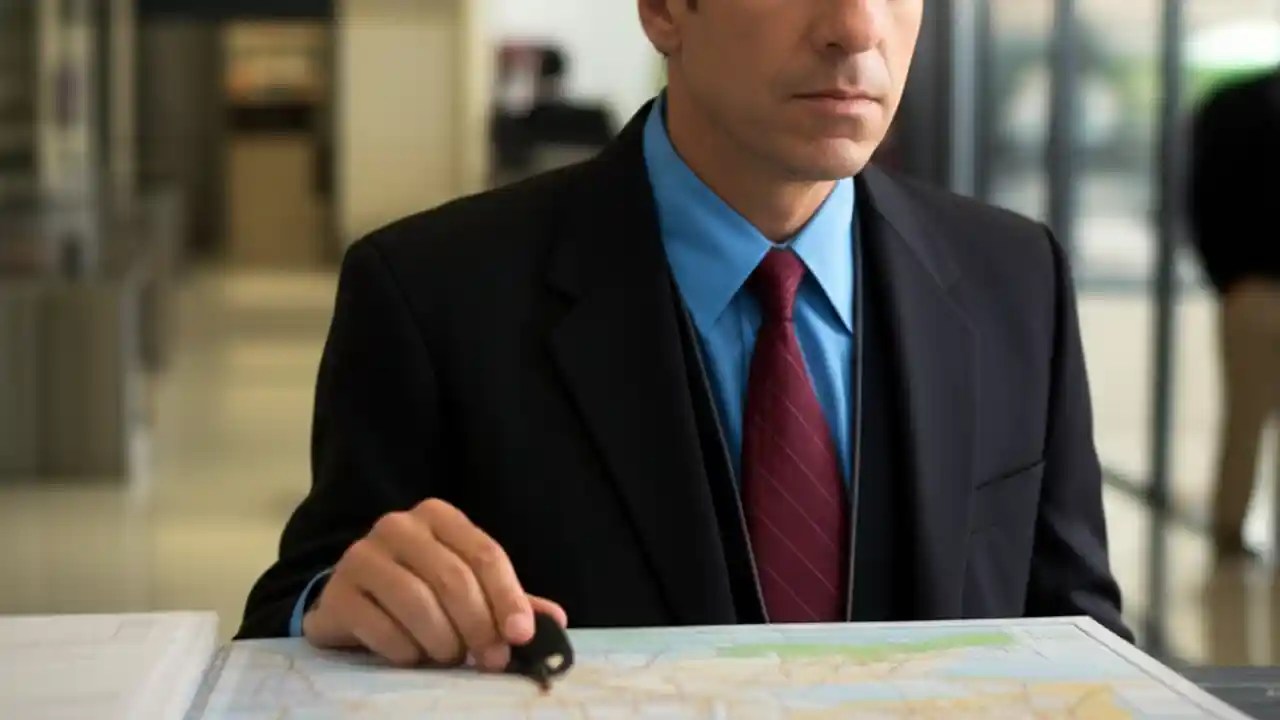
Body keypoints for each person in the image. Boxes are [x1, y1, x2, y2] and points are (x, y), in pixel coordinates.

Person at [238, 0, 1131, 669]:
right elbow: (295, 611)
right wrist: (341, 602)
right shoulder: (436, 294)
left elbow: (1081, 637)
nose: (858, 28)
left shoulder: (1014, 279)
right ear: (665, 8)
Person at [1188, 67, 1280, 558]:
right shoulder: (1233, 104)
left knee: (1242, 421)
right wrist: (1227, 279)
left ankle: (1231, 535)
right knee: (1244, 419)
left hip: (1246, 290)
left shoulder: (1232, 102)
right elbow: (1202, 197)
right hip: (1252, 289)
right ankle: (1229, 534)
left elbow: (1198, 198)